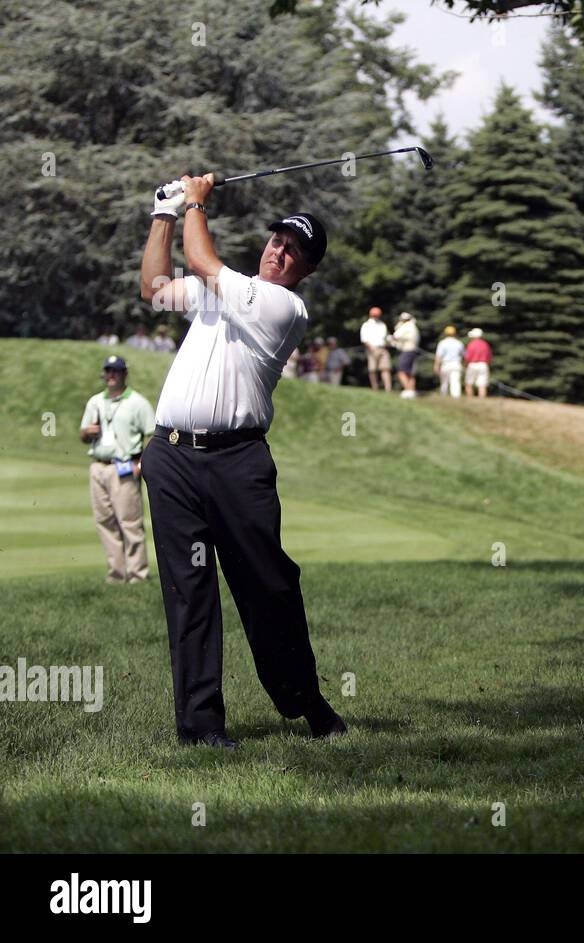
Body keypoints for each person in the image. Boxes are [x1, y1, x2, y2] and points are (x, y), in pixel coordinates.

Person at [139, 173, 346, 749]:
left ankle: (305, 701)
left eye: (293, 250)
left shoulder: (281, 306)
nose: (279, 251)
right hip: (172, 457)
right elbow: (153, 285)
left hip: (238, 463)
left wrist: (196, 202)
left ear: (305, 268)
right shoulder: (224, 288)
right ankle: (201, 728)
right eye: (278, 240)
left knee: (268, 587)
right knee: (190, 592)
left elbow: (202, 258)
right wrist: (162, 214)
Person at [79, 355, 155, 584]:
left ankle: (138, 575)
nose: (111, 375)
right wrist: (87, 433)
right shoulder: (95, 402)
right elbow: (82, 435)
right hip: (98, 466)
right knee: (105, 522)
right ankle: (117, 574)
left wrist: (141, 464)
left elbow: (152, 435)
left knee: (129, 522)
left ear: (125, 374)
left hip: (124, 467)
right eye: (108, 370)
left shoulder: (138, 402)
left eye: (116, 371)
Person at [360, 305, 392, 392]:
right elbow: (364, 339)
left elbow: (386, 337)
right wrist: (371, 347)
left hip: (383, 348)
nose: (375, 316)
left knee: (385, 368)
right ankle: (375, 388)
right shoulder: (366, 325)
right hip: (371, 348)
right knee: (372, 369)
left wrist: (388, 342)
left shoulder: (382, 325)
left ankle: (388, 389)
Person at [392, 312, 420, 400]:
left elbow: (396, 336)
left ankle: (408, 390)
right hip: (413, 351)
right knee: (410, 372)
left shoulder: (406, 326)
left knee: (402, 372)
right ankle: (412, 390)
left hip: (407, 350)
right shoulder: (414, 327)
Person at [436, 325, 465, 398]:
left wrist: (436, 366)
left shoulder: (442, 343)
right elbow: (463, 355)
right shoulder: (459, 343)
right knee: (455, 381)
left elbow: (439, 356)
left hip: (445, 364)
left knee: (444, 382)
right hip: (456, 364)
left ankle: (443, 396)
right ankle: (456, 397)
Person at [465, 327, 491, 398]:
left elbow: (467, 357)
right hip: (483, 365)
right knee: (482, 385)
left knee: (469, 383)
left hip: (472, 364)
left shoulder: (471, 344)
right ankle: (481, 399)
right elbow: (489, 357)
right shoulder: (485, 344)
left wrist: (466, 364)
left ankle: (470, 399)